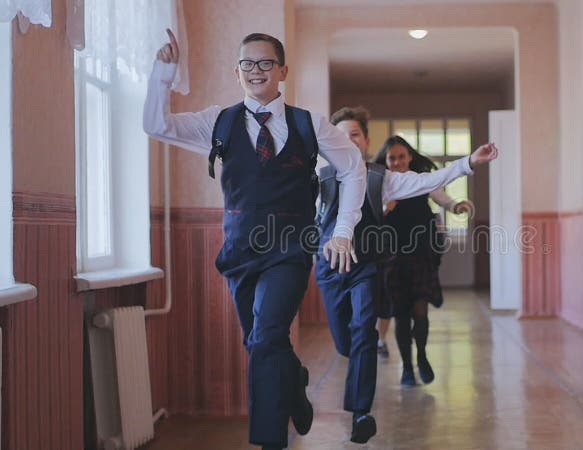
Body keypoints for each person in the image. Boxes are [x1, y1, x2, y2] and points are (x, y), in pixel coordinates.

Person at [143, 30, 366, 450]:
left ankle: (269, 442)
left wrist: (341, 231)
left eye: (265, 63)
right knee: (263, 342)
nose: (256, 70)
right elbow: (156, 125)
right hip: (239, 253)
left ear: (282, 71)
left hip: (290, 250)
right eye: (248, 63)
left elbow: (353, 167)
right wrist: (163, 74)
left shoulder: (308, 124)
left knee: (264, 340)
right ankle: (295, 379)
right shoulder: (218, 122)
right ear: (237, 71)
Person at [320, 106, 498, 443]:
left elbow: (430, 181)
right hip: (329, 268)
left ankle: (361, 412)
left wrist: (467, 162)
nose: (348, 140)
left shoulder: (380, 178)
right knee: (345, 343)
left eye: (355, 134)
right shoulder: (319, 177)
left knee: (364, 334)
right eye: (341, 135)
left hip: (367, 265)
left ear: (366, 141)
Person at [373, 136, 479, 387]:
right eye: (392, 158)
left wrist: (456, 205)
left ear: (410, 157)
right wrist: (387, 206)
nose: (397, 161)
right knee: (399, 314)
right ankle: (407, 369)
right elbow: (371, 215)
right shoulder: (382, 184)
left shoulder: (421, 180)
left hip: (421, 253)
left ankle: (421, 356)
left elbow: (442, 197)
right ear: (386, 162)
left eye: (401, 156)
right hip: (393, 257)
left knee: (420, 310)